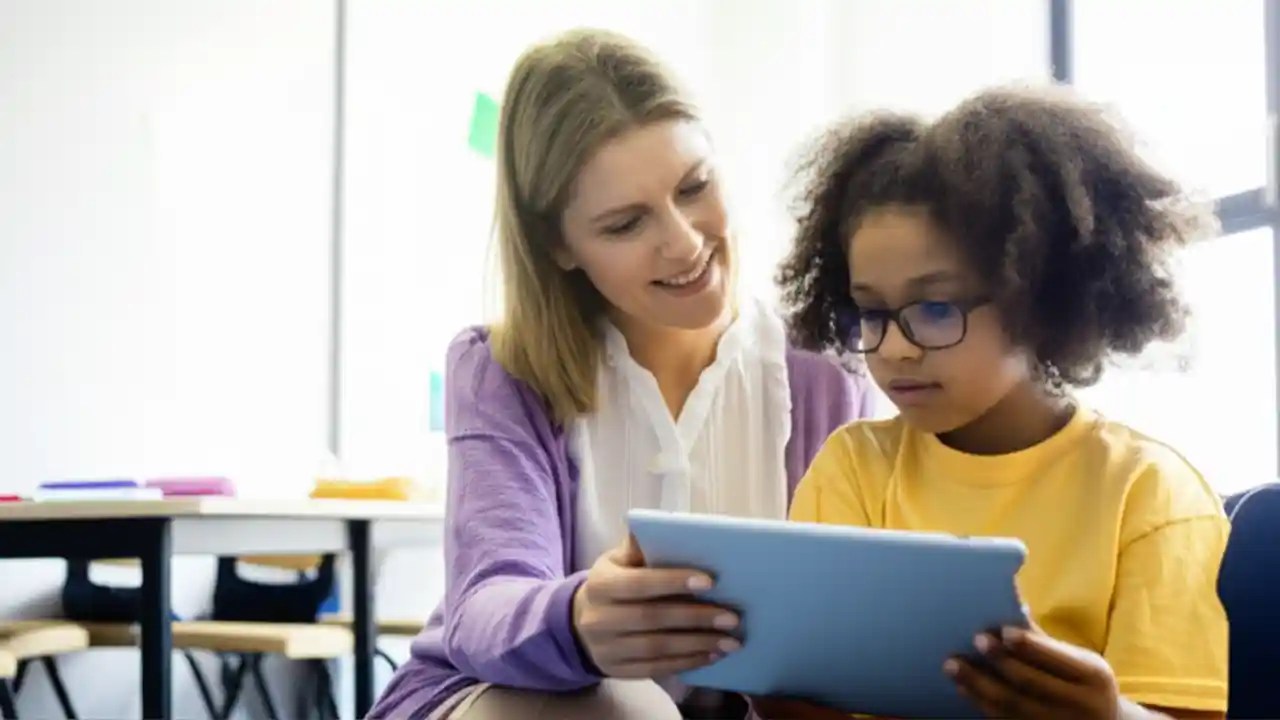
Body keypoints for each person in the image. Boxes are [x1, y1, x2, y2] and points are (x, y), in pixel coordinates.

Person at [369, 28, 873, 720]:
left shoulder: (823, 371)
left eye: (695, 186)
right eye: (625, 225)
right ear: (560, 247)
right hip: (501, 700)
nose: (685, 242)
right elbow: (485, 605)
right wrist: (576, 620)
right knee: (628, 708)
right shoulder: (503, 369)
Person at [758, 86, 1229, 720]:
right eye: (871, 312)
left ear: (1038, 298)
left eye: (933, 309)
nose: (893, 348)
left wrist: (1114, 716)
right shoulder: (853, 468)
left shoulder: (1148, 494)